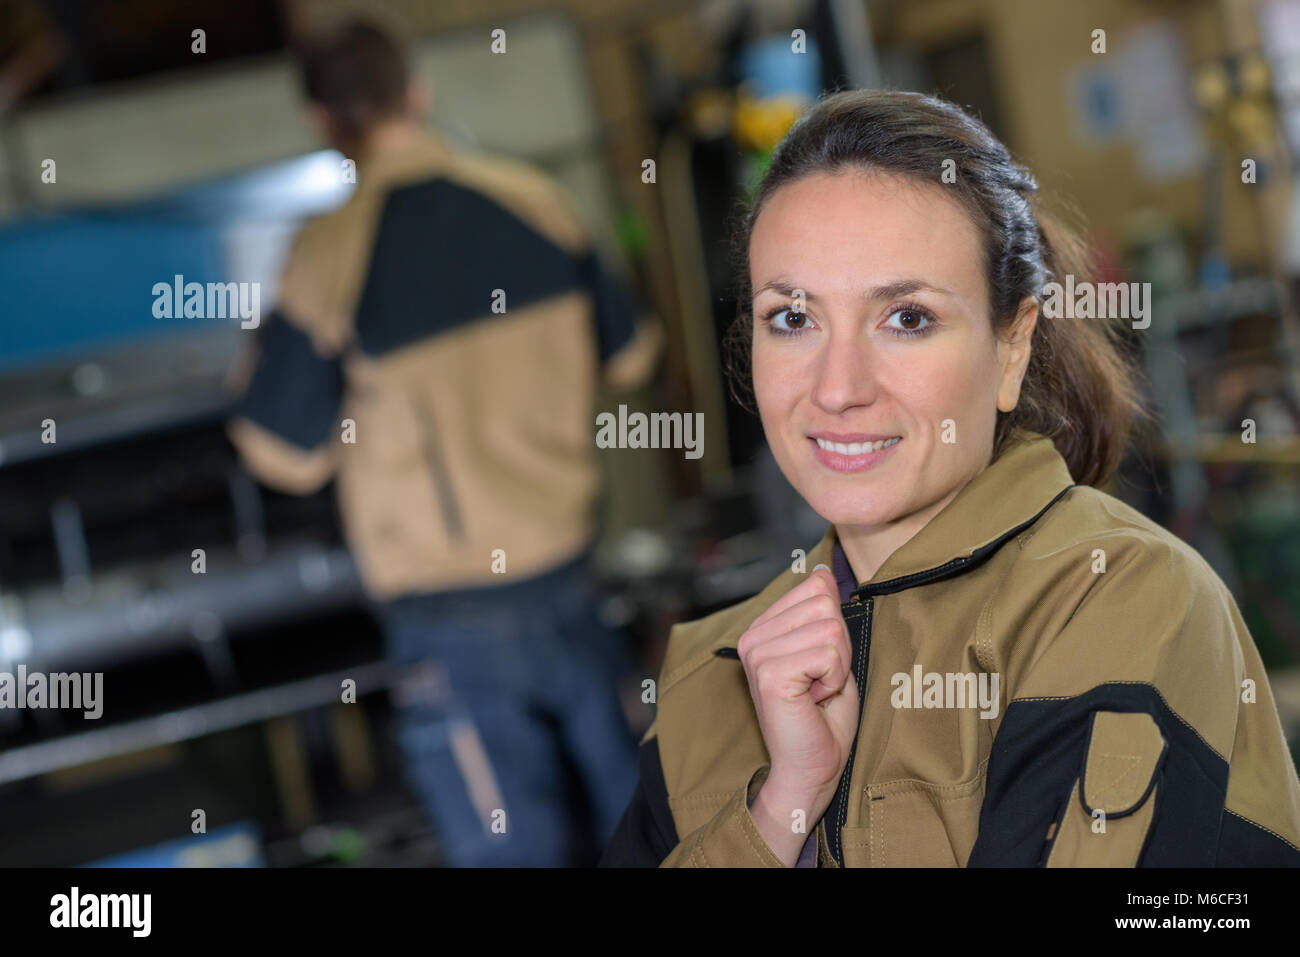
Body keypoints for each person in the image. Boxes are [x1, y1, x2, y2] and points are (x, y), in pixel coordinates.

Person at [600, 88, 1300, 867]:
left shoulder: (1123, 597)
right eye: (793, 318)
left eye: (906, 318)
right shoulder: (708, 675)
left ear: (1012, 346)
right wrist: (783, 802)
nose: (838, 388)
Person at [225, 19, 658, 866]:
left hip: (452, 626)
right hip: (574, 582)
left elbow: (280, 450)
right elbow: (631, 352)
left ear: (322, 120)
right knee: (647, 829)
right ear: (415, 93)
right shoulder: (534, 197)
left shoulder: (326, 256)